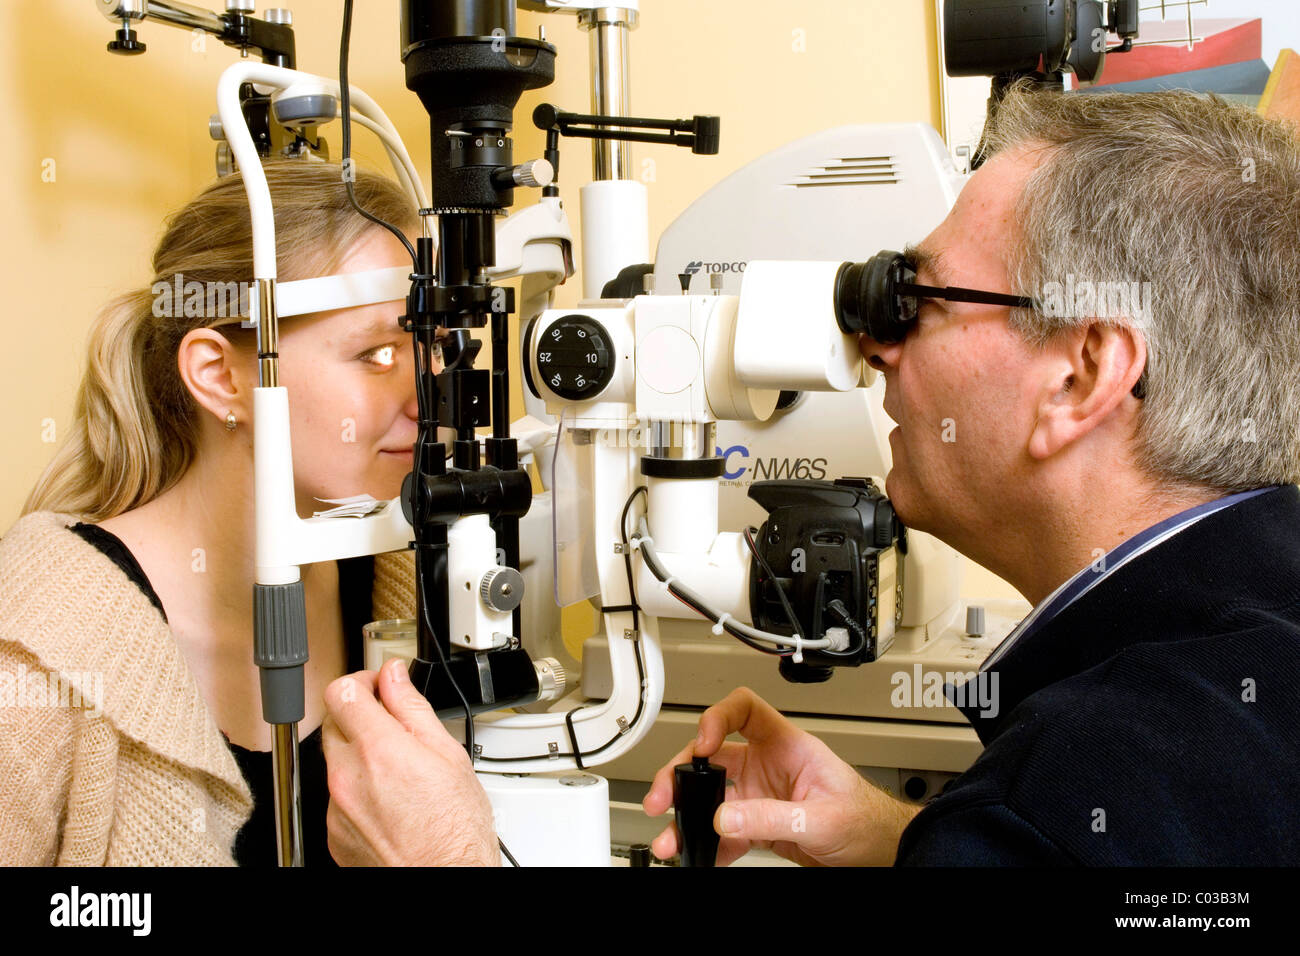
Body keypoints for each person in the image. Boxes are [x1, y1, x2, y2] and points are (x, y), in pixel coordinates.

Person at [322, 83, 1300, 865]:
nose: (873, 342)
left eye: (913, 295)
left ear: (1078, 376)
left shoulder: (1090, 787)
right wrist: (912, 844)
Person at [0, 160, 433, 865]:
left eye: (432, 345)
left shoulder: (397, 581)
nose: (427, 397)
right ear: (218, 375)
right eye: (377, 353)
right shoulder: (42, 651)